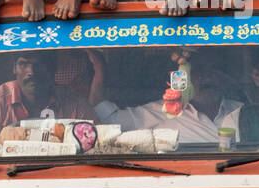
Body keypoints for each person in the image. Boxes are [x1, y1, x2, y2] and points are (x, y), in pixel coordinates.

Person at [89, 50, 234, 144]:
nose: (207, 77)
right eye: (199, 71)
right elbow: (107, 120)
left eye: (214, 70)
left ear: (224, 76)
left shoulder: (241, 111)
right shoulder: (162, 111)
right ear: (185, 78)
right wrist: (99, 70)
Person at [0, 52, 95, 137]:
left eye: (40, 65)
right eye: (23, 64)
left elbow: (95, 146)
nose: (31, 72)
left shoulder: (75, 104)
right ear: (14, 68)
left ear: (53, 69)